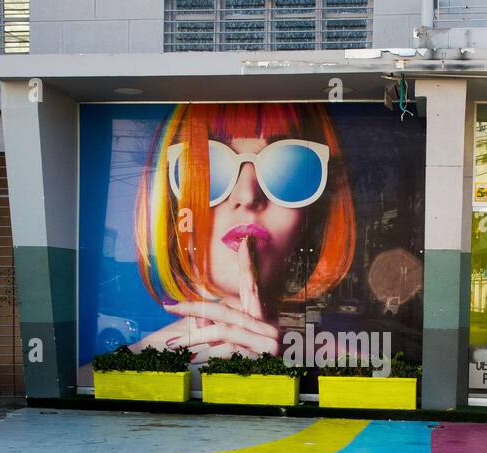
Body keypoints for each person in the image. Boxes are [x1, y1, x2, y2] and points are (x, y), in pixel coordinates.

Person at [130, 103, 355, 363]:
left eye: (289, 168)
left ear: (315, 213)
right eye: (209, 165)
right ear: (173, 205)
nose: (247, 195)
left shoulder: (360, 374)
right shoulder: (101, 380)